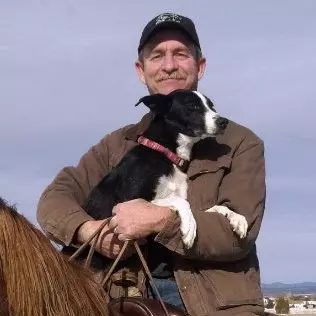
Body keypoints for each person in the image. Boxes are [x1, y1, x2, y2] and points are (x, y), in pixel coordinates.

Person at [37, 12, 266, 316]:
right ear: (141, 71)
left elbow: (238, 234)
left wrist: (161, 220)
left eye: (180, 54)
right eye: (157, 55)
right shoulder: (115, 145)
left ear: (200, 66)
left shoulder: (239, 143)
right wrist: (90, 231)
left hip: (212, 305)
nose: (169, 65)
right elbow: (54, 199)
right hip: (120, 294)